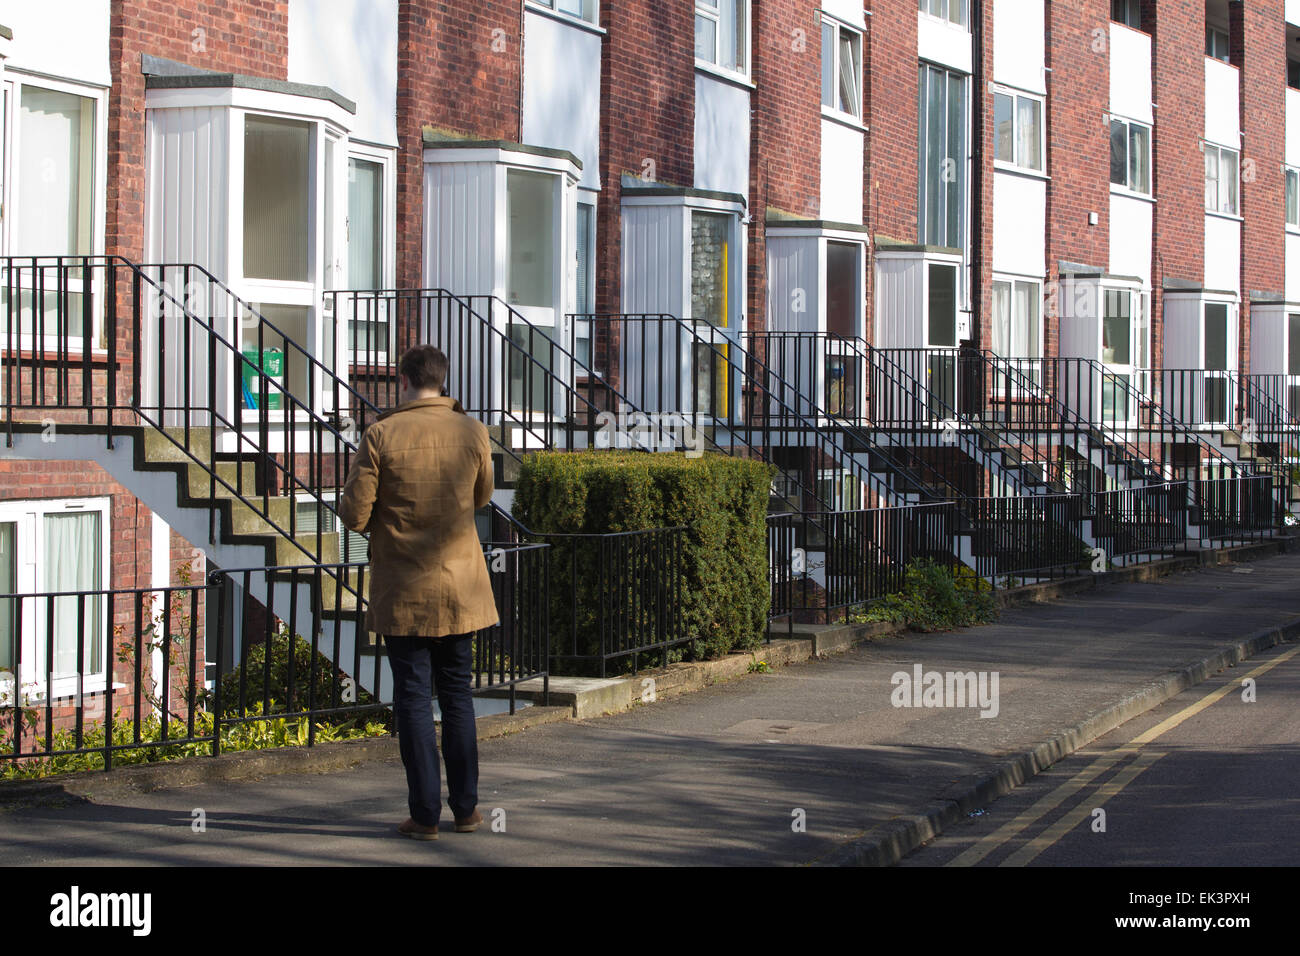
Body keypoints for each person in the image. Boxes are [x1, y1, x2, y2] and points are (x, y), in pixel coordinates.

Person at [339, 344, 498, 841]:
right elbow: (482, 497)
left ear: (403, 380)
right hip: (461, 588)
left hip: (404, 590)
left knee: (412, 697)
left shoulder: (380, 434)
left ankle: (424, 815)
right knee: (458, 695)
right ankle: (467, 810)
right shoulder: (473, 431)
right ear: (442, 380)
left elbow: (354, 515)